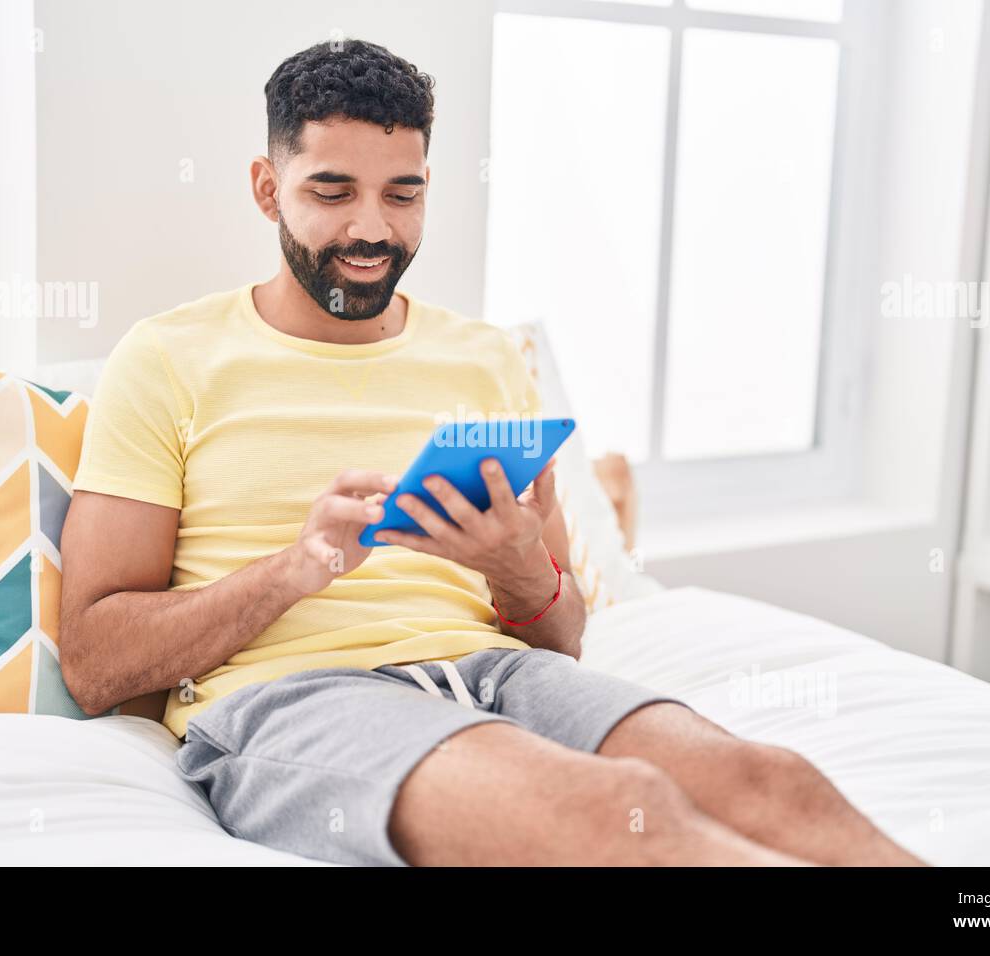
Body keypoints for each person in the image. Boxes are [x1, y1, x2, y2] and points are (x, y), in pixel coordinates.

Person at [59, 38, 926, 868]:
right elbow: (97, 663)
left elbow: (562, 636)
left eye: (403, 194)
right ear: (265, 186)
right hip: (293, 699)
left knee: (772, 784)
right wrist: (297, 568)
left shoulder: (481, 357)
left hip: (500, 674)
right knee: (617, 815)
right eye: (332, 190)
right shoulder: (168, 357)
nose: (372, 229)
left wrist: (518, 565)